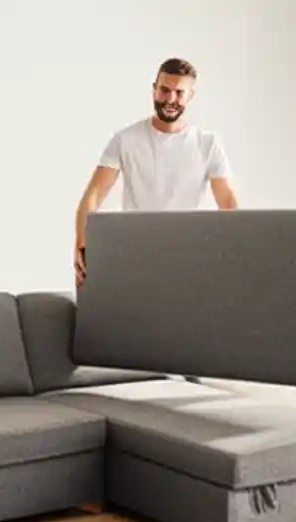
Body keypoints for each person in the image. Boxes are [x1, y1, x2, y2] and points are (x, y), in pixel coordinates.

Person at [74, 57, 239, 384]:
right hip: (137, 256)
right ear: (154, 90)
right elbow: (93, 195)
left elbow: (229, 204)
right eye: (165, 90)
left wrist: (236, 253)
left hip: (188, 258)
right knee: (137, 346)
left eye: (179, 93)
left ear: (190, 96)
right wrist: (81, 244)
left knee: (191, 349)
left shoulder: (207, 144)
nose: (170, 99)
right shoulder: (126, 139)